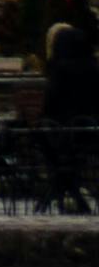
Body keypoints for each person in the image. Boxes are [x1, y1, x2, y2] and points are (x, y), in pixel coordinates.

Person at [42, 23, 98, 211]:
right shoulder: (93, 68)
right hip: (90, 132)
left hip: (61, 133)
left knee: (54, 152)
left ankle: (64, 189)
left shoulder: (60, 70)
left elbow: (50, 102)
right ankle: (74, 192)